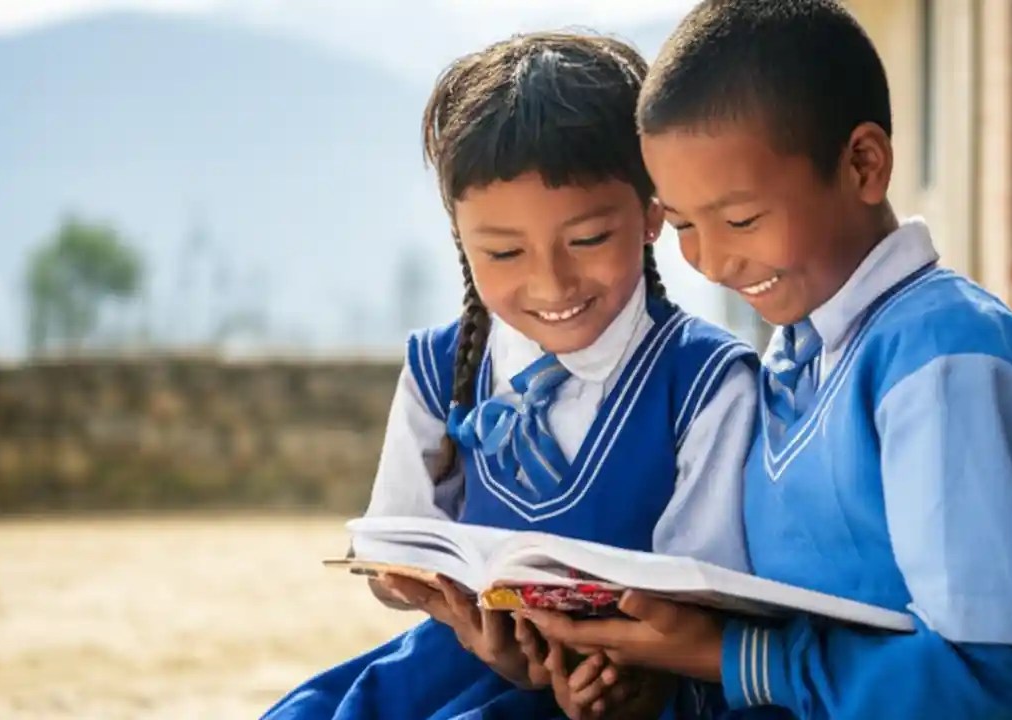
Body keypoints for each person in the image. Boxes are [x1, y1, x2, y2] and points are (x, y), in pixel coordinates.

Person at [525, 2, 1012, 718]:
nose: (712, 261)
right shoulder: (797, 356)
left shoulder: (940, 363)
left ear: (863, 164)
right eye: (683, 225)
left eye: (741, 220)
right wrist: (654, 671)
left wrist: (723, 657)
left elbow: (984, 679)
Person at [262, 30, 759, 720]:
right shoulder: (440, 369)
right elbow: (388, 556)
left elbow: (711, 598)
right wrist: (464, 619)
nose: (550, 281)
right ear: (461, 241)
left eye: (587, 239)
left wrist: (620, 679)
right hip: (453, 667)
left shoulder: (707, 383)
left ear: (652, 211)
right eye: (502, 252)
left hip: (641, 691)